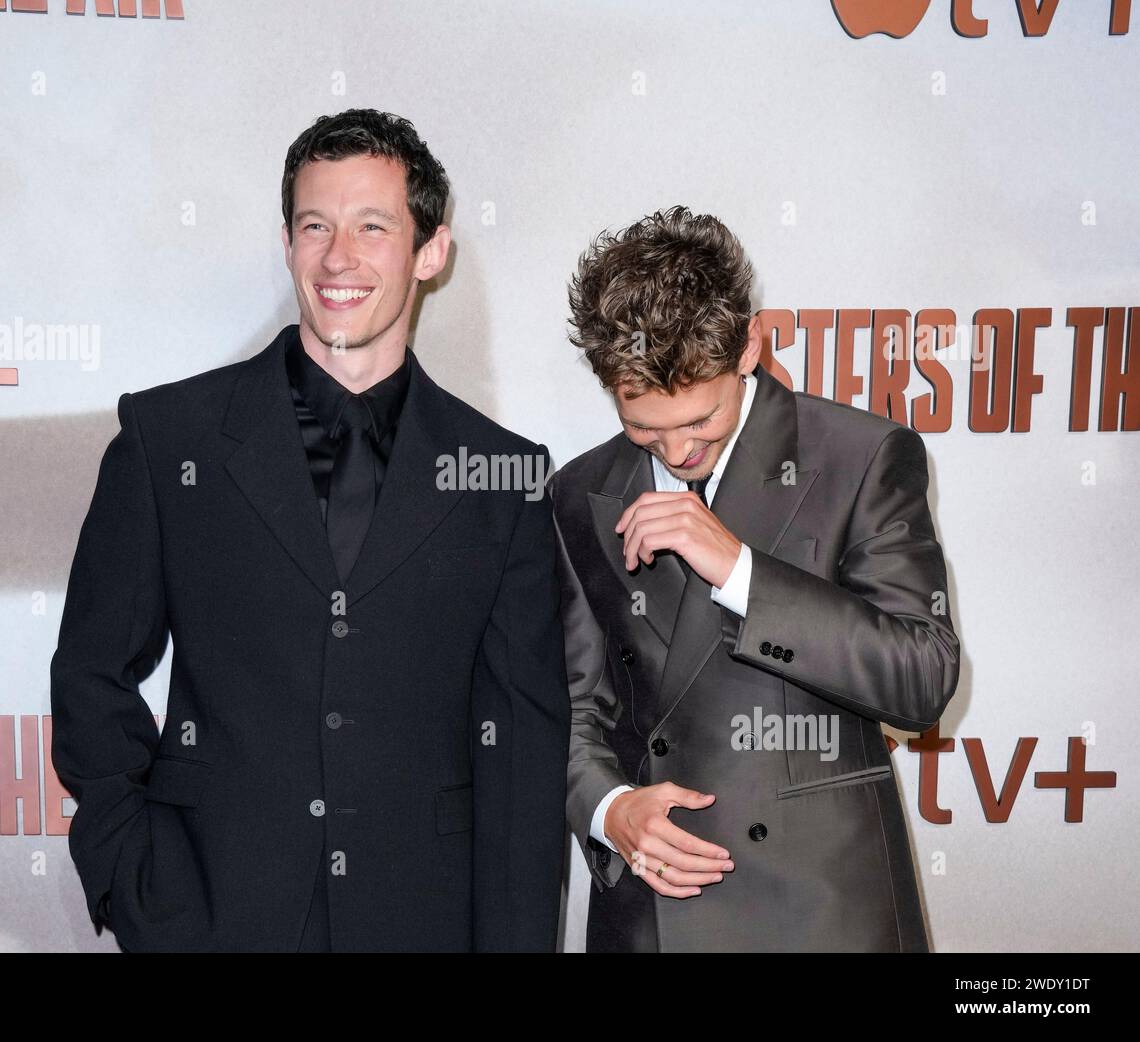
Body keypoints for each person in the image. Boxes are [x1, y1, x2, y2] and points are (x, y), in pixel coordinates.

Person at [50, 109, 570, 952]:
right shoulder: (169, 438)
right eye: (315, 226)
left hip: (423, 921)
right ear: (288, 242)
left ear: (430, 251)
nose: (339, 258)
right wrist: (130, 870)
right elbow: (90, 671)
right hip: (212, 915)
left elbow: (520, 748)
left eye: (374, 227)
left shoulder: (504, 474)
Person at [551, 206, 961, 952]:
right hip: (654, 917)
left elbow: (921, 677)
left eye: (699, 423)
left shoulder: (861, 457)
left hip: (821, 918)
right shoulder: (579, 492)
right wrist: (610, 809)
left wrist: (740, 571)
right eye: (645, 428)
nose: (676, 452)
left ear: (750, 345)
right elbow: (574, 708)